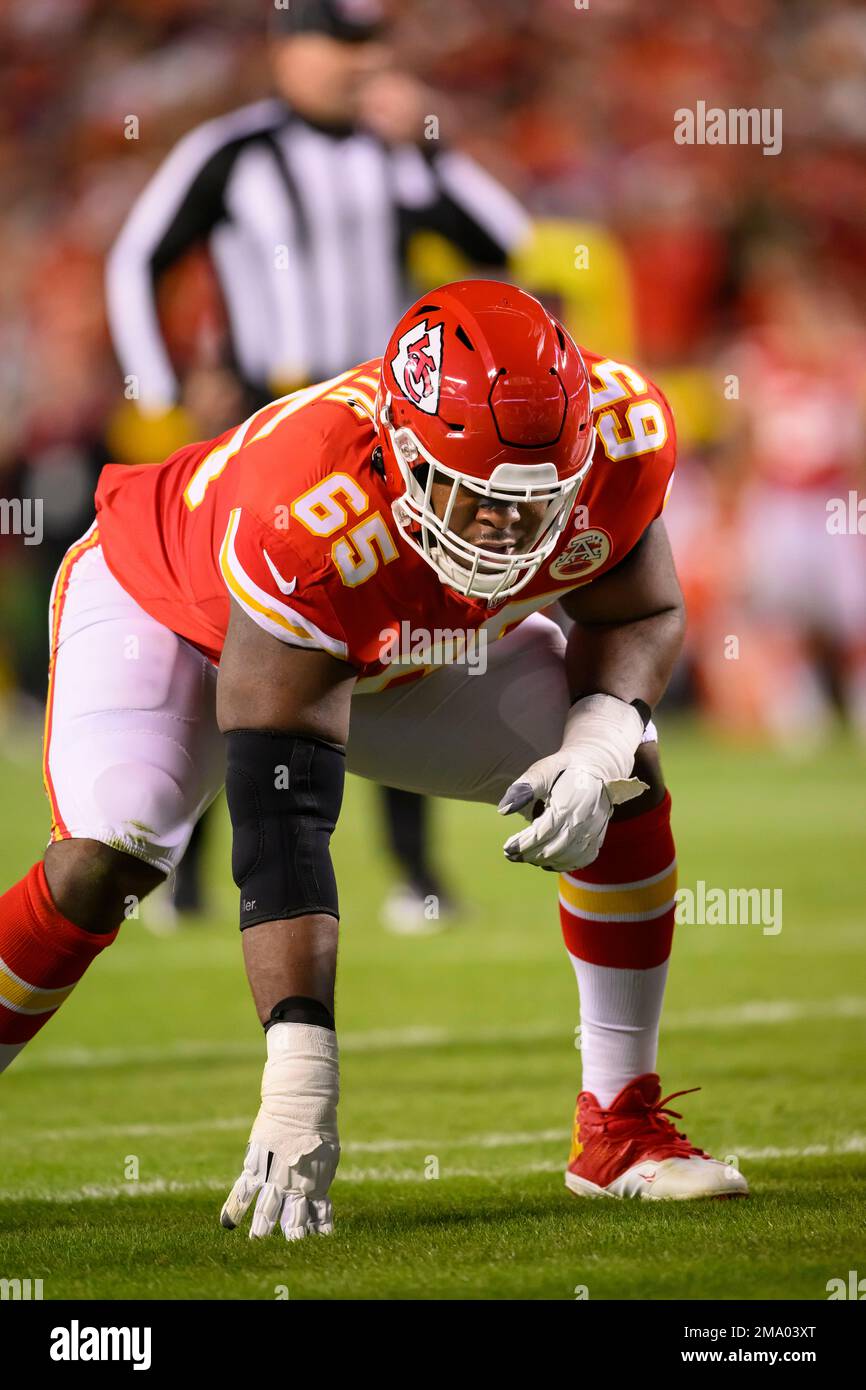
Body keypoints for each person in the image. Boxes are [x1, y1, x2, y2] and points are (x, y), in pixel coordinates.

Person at [0, 281, 748, 1238]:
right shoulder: (310, 509)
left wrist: (596, 740)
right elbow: (281, 817)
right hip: (173, 607)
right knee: (115, 848)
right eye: (478, 501)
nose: (506, 535)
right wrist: (301, 1074)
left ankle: (620, 1130)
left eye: (534, 508)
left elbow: (639, 610)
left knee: (624, 778)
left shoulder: (622, 429)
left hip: (402, 640)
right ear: (403, 454)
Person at [105, 0, 531, 928]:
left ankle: (415, 875)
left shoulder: (393, 154)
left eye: (368, 44)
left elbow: (506, 242)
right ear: (285, 49)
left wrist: (426, 144)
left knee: (398, 635)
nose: (355, 64)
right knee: (231, 637)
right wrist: (158, 394)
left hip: (384, 426)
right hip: (269, 418)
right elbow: (139, 256)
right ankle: (184, 875)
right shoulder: (233, 150)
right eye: (337, 43)